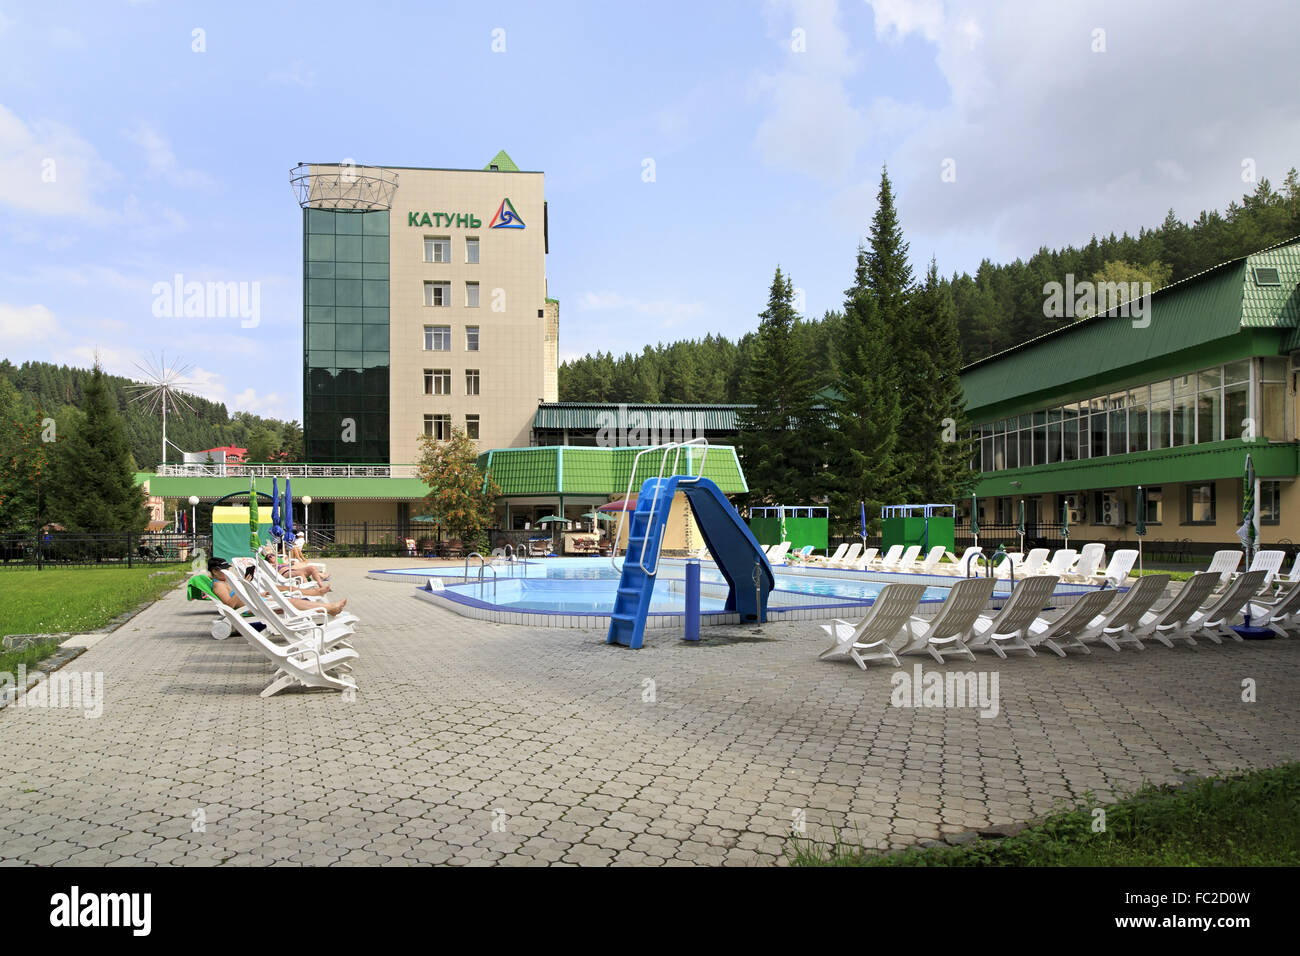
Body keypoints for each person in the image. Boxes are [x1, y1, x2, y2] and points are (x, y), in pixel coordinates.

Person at [208, 557, 347, 617]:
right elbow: (230, 606)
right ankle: (329, 608)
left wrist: (254, 592)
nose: (226, 572)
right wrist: (244, 586)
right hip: (251, 608)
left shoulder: (224, 582)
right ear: (214, 571)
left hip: (256, 602)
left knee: (282, 594)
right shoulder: (218, 585)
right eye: (222, 570)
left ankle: (318, 597)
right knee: (289, 602)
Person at [259, 544, 330, 587]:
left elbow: (288, 564)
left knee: (312, 568)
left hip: (292, 570)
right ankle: (308, 590)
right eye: (269, 557)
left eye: (272, 555)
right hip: (285, 574)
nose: (272, 556)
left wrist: (290, 563)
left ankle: (321, 586)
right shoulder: (270, 565)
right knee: (299, 573)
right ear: (268, 560)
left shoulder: (280, 562)